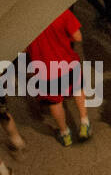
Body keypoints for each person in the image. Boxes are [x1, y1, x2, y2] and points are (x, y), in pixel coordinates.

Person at [26, 8, 90, 146]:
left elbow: (23, 49)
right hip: (67, 63)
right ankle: (84, 123)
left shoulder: (24, 23)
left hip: (45, 71)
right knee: (77, 89)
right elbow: (78, 37)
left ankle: (65, 134)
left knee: (55, 103)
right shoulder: (60, 11)